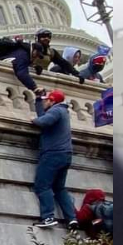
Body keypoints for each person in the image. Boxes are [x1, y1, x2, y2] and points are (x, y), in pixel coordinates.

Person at [0, 30, 84, 91]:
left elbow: (63, 63)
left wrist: (76, 73)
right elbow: (21, 71)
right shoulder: (23, 54)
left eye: (48, 37)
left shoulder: (51, 52)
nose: (46, 39)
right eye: (43, 37)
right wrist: (34, 87)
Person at [31, 89, 74, 228]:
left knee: (42, 185)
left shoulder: (56, 111)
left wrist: (34, 120)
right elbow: (45, 115)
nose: (45, 102)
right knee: (59, 188)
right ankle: (72, 218)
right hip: (65, 154)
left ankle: (48, 217)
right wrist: (38, 100)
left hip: (53, 154)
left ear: (53, 101)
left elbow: (44, 121)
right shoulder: (63, 111)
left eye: (46, 100)